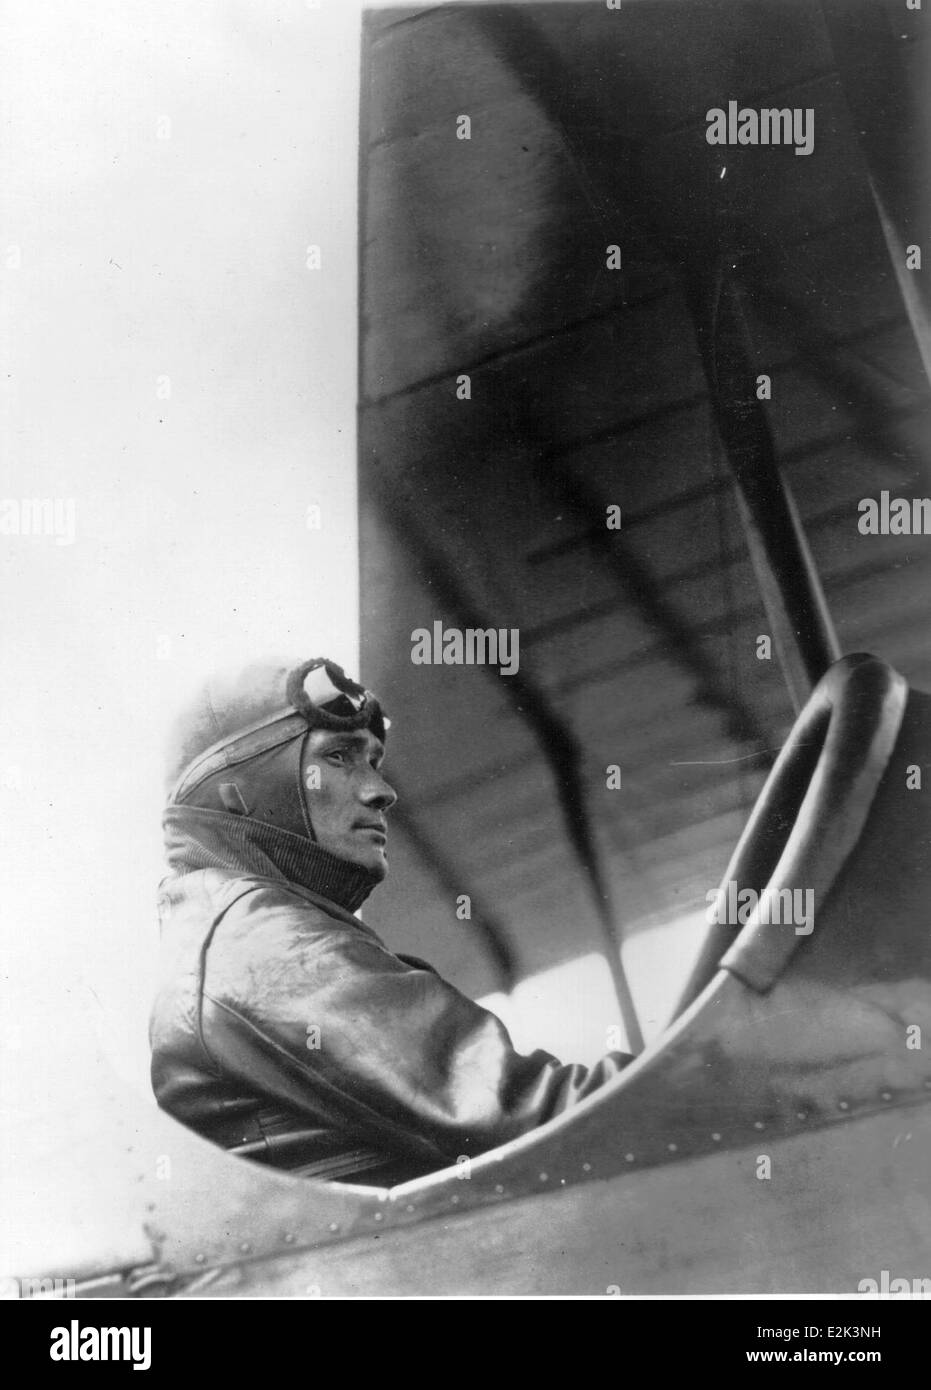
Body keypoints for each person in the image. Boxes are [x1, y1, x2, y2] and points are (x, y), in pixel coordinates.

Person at [150, 656, 632, 1184]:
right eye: (339, 757)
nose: (381, 789)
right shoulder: (265, 945)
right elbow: (551, 1114)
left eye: (374, 761)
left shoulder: (232, 928)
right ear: (240, 791)